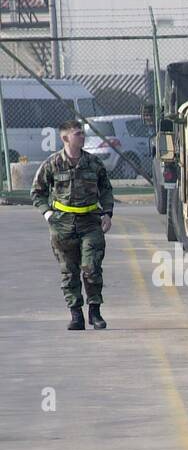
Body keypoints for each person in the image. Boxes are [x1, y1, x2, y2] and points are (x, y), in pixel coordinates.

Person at [31, 119, 115, 330]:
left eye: (82, 133)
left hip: (90, 222)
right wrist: (48, 213)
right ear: (65, 137)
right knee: (69, 271)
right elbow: (37, 192)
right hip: (62, 224)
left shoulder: (94, 163)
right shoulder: (52, 164)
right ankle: (75, 314)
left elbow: (105, 190)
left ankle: (95, 312)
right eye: (77, 133)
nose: (82, 136)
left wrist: (107, 213)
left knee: (92, 267)